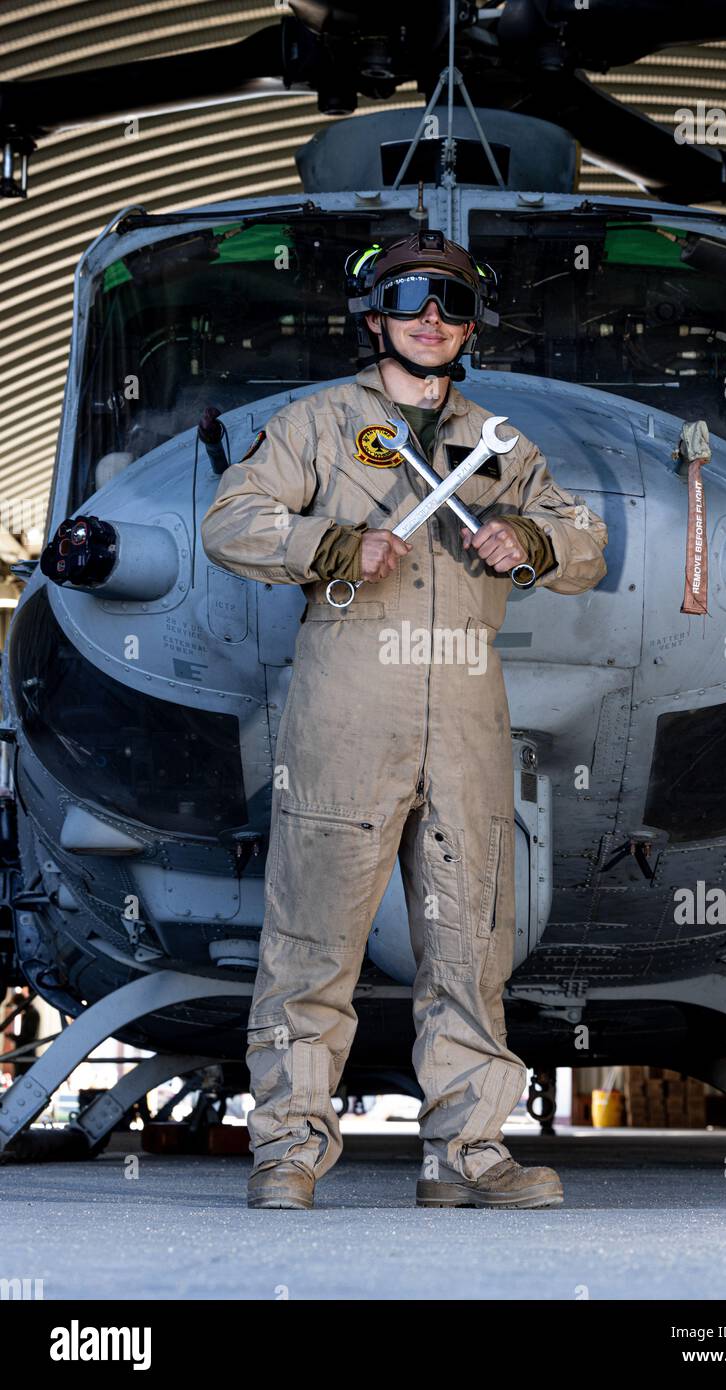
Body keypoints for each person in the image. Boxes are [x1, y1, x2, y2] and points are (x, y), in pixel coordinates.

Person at [199, 229, 608, 1209]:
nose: (433, 316)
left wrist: (534, 541)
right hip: (348, 708)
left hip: (467, 710)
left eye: (454, 302)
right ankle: (288, 1151)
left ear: (470, 326)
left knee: (471, 945)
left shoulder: (498, 446)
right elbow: (229, 522)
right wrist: (335, 544)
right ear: (375, 315)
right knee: (312, 941)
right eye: (414, 297)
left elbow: (588, 544)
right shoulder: (314, 426)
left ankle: (468, 1155)